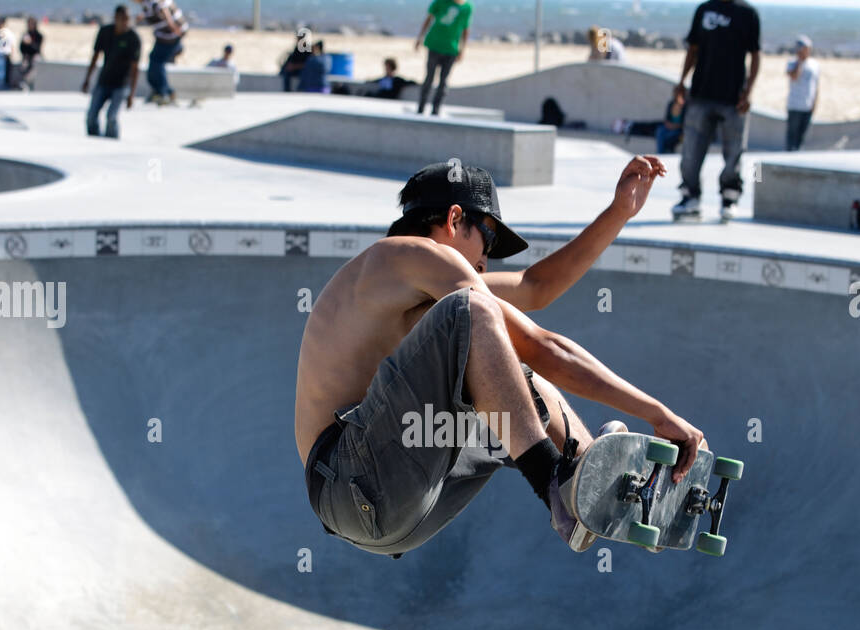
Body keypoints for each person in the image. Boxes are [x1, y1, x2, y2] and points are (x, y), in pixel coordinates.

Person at [295, 155, 709, 558]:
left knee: (507, 372)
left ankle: (596, 488)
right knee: (478, 314)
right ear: (454, 219)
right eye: (487, 239)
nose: (486, 260)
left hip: (391, 508)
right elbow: (543, 345)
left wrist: (619, 212)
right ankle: (554, 483)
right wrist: (656, 412)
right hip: (349, 477)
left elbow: (535, 286)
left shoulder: (415, 290)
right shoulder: (405, 254)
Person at [671, 0, 761, 222]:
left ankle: (729, 199)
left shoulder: (747, 13)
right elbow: (693, 48)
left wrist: (748, 92)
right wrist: (682, 82)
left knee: (734, 153)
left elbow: (755, 55)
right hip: (701, 94)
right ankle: (690, 197)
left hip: (733, 98)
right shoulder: (704, 10)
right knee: (690, 151)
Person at [82, 5, 140, 139]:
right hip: (104, 81)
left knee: (111, 117)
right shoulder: (105, 32)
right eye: (122, 18)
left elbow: (135, 68)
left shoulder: (133, 38)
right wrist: (87, 80)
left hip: (121, 85)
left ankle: (111, 145)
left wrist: (132, 94)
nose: (125, 22)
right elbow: (95, 57)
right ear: (116, 18)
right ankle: (94, 142)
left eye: (127, 18)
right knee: (91, 115)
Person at [414, 0, 471, 116]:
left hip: (451, 48)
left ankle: (436, 110)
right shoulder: (440, 2)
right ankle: (421, 109)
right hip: (434, 44)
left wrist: (462, 49)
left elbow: (466, 29)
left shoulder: (467, 7)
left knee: (443, 81)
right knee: (429, 78)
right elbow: (428, 19)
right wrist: (420, 38)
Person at [138, 0, 188, 105]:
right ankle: (162, 91)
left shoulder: (151, 3)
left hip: (169, 37)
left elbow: (162, 9)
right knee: (155, 60)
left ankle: (165, 93)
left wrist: (172, 26)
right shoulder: (147, 4)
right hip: (165, 37)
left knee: (157, 62)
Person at [612, 95, 685, 153]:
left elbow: (685, 125)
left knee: (660, 132)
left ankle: (661, 153)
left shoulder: (685, 107)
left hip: (678, 132)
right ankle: (630, 126)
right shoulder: (671, 104)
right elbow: (667, 120)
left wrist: (675, 126)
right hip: (668, 128)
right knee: (652, 127)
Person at [784, 35, 818, 151]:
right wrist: (799, 61)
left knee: (801, 138)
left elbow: (816, 85)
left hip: (807, 106)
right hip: (794, 106)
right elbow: (794, 77)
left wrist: (815, 103)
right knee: (792, 137)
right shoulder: (792, 63)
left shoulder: (814, 65)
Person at [19, 17, 44, 91]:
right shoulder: (25, 35)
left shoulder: (39, 36)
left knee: (36, 61)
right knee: (24, 64)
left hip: (35, 57)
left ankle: (27, 82)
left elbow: (37, 49)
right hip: (27, 57)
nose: (30, 25)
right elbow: (21, 49)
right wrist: (24, 43)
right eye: (29, 24)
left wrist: (30, 43)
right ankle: (24, 83)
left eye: (31, 24)